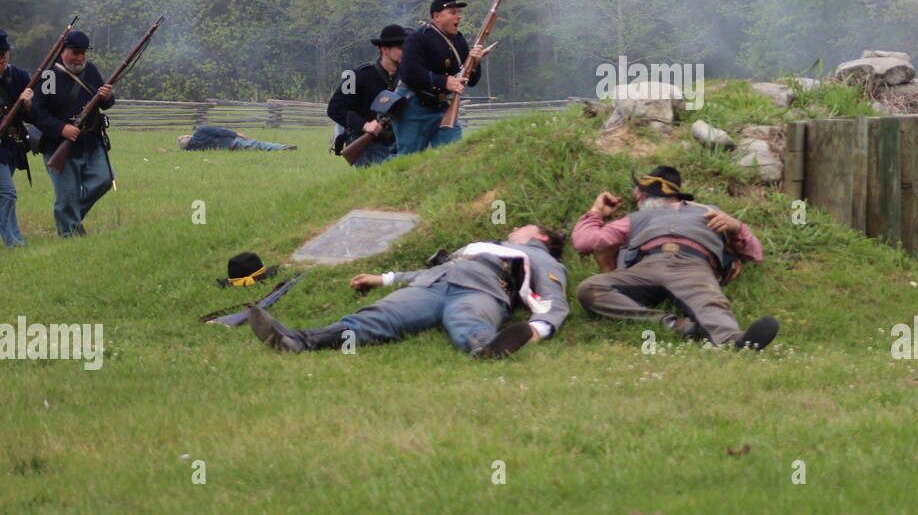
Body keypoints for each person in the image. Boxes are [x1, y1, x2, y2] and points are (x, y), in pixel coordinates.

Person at [247, 224, 568, 358]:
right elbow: (432, 270)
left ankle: (490, 348)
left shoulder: (540, 256)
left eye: (523, 227)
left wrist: (536, 330)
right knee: (378, 316)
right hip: (431, 285)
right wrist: (384, 279)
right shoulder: (481, 246)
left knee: (469, 323)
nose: (514, 228)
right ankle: (300, 340)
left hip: (482, 293)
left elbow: (554, 301)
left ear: (540, 236)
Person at [571, 166, 779, 350]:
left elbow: (755, 254)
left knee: (709, 302)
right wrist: (596, 212)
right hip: (647, 266)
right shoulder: (636, 219)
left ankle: (734, 341)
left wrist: (736, 228)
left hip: (693, 264)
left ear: (641, 195)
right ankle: (671, 324)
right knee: (590, 288)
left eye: (637, 193)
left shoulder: (711, 212)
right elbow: (584, 242)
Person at [29, 31, 115, 237]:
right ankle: (69, 235)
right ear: (62, 51)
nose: (79, 58)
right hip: (59, 145)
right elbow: (37, 113)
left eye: (83, 53)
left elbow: (106, 103)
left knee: (104, 180)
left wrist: (107, 97)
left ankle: (71, 219)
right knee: (66, 197)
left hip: (91, 141)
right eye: (75, 52)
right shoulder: (49, 75)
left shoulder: (91, 71)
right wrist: (61, 128)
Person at [392, 0, 484, 155]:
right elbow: (409, 73)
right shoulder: (418, 38)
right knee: (408, 158)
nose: (458, 16)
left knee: (453, 154)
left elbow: (472, 79)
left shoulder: (459, 40)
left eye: (458, 12)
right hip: (414, 105)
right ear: (436, 16)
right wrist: (444, 82)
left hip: (441, 108)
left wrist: (475, 62)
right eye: (452, 12)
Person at [327, 23, 407, 167]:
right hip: (367, 142)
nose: (405, 51)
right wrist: (364, 125)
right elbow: (335, 108)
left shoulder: (408, 76)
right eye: (401, 48)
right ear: (385, 49)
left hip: (396, 142)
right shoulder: (357, 75)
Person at [0, 29, 34, 247]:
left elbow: (34, 114)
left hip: (11, 146)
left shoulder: (19, 76)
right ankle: (14, 243)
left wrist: (28, 103)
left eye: (4, 53)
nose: (3, 57)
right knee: (8, 194)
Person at [177, 126, 296, 151]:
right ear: (188, 137)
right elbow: (218, 131)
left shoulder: (192, 149)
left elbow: (180, 151)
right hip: (231, 142)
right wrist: (236, 134)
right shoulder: (200, 131)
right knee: (258, 145)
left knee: (254, 149)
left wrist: (166, 151)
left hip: (226, 149)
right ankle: (283, 148)